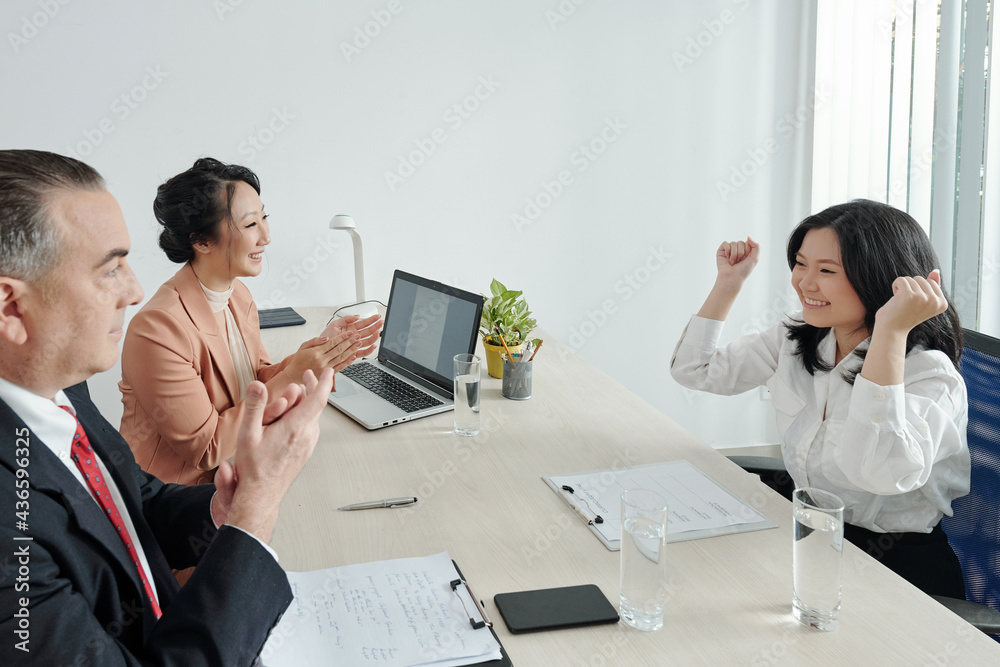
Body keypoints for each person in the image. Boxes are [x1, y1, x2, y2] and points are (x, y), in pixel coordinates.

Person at [0, 149, 339, 664]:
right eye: (110, 269)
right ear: (11, 306)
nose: (134, 290)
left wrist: (218, 510)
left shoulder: (62, 391)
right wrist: (254, 510)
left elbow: (134, 500)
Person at [670, 199, 970, 598]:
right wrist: (729, 283)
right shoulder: (804, 335)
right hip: (810, 535)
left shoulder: (929, 376)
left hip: (894, 568)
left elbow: (878, 472)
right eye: (800, 263)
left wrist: (890, 332)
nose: (804, 283)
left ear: (880, 278)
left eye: (827, 270)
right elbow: (696, 370)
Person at [119, 157, 382, 485]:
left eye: (264, 218)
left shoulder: (237, 295)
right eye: (250, 225)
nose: (266, 237)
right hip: (176, 500)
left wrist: (321, 353)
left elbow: (256, 381)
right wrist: (294, 373)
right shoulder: (157, 329)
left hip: (240, 470)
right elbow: (207, 449)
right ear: (201, 241)